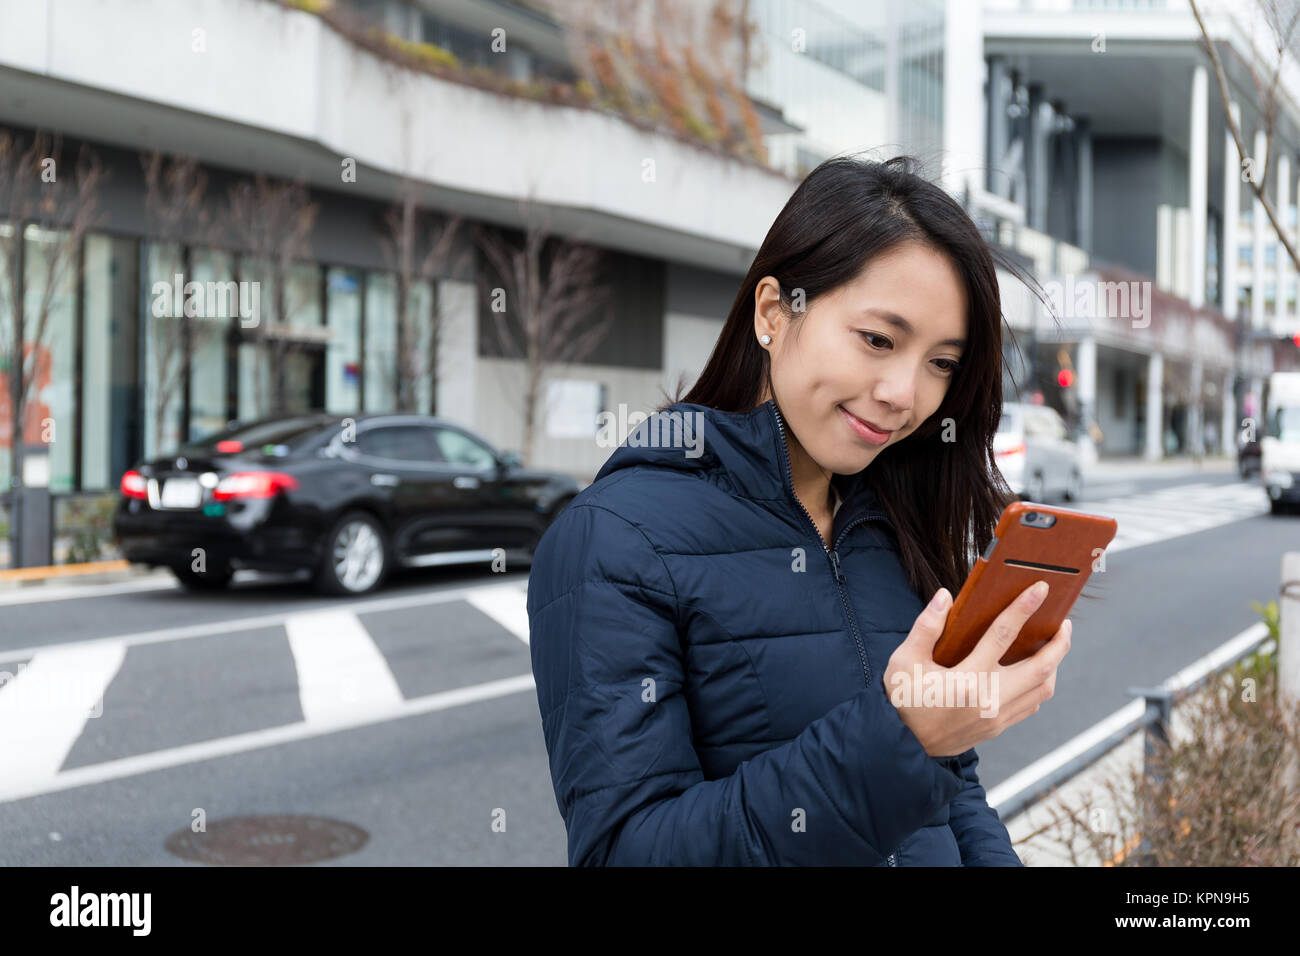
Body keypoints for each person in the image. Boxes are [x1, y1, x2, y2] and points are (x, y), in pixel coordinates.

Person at [526, 155, 1072, 866]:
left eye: (942, 362)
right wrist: (900, 738)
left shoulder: (892, 524)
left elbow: (954, 793)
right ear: (773, 313)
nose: (905, 394)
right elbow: (626, 850)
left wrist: (932, 742)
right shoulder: (614, 539)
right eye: (878, 340)